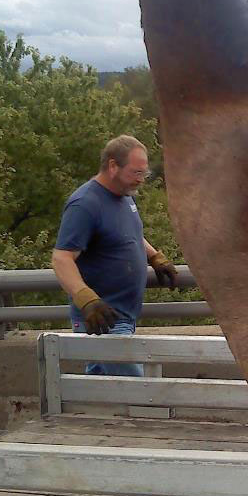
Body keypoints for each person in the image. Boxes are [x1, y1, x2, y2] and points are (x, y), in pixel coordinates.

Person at [51, 135, 178, 377]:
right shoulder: (85, 204)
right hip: (103, 319)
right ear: (112, 166)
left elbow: (127, 235)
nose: (141, 180)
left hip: (124, 316)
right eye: (135, 173)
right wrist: (87, 300)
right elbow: (61, 258)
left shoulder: (124, 196)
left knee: (104, 393)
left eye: (144, 174)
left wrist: (154, 257)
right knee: (139, 393)